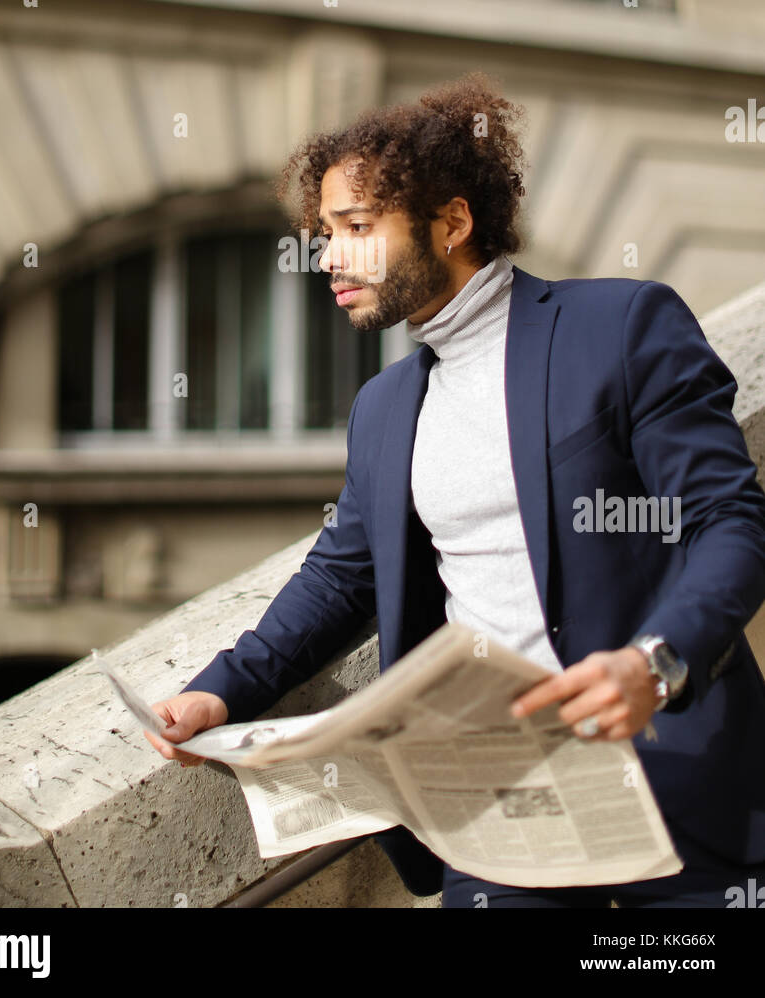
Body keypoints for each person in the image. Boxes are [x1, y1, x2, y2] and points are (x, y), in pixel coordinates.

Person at [145, 71, 765, 907]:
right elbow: (340, 574)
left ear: (453, 222)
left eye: (356, 227)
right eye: (324, 232)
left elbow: (730, 523)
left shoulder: (622, 327)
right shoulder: (384, 407)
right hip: (493, 817)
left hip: (670, 796)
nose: (328, 256)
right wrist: (222, 689)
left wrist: (654, 664)